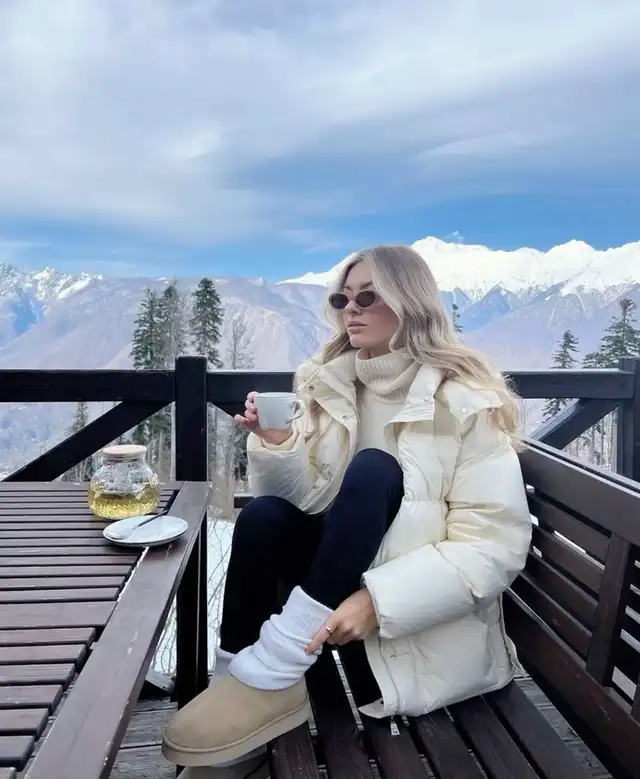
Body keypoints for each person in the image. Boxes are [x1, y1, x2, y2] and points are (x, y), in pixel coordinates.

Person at [162, 245, 532, 778]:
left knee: (375, 469)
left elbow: (493, 546)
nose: (350, 309)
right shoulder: (332, 382)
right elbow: (304, 502)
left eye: (367, 297)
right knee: (263, 516)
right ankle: (242, 686)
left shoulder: (465, 401)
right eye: (342, 299)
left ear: (409, 302)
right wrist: (280, 443)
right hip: (329, 592)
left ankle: (275, 668)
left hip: (407, 618)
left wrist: (377, 602)